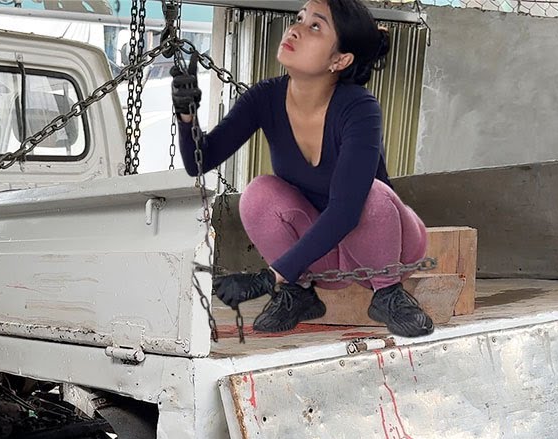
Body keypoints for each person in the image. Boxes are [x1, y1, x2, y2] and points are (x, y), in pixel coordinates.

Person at [172, 0, 434, 337]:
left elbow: (346, 211)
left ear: (340, 60)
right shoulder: (265, 97)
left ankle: (388, 294)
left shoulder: (359, 108)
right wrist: (186, 116)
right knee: (258, 193)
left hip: (386, 249)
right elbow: (200, 162)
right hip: (324, 257)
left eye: (315, 26)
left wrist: (268, 277)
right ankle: (299, 294)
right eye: (299, 18)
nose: (294, 29)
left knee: (369, 194)